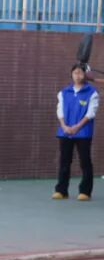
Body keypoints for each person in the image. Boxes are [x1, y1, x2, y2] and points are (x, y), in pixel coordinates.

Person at [52, 62, 97, 202]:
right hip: (65, 132)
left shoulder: (92, 93)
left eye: (80, 73)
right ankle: (61, 190)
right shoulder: (64, 92)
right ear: (71, 74)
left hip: (83, 133)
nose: (78, 76)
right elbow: (59, 111)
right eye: (75, 73)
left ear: (85, 75)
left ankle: (85, 191)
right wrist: (64, 126)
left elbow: (91, 113)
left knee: (85, 162)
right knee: (64, 161)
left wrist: (77, 127)